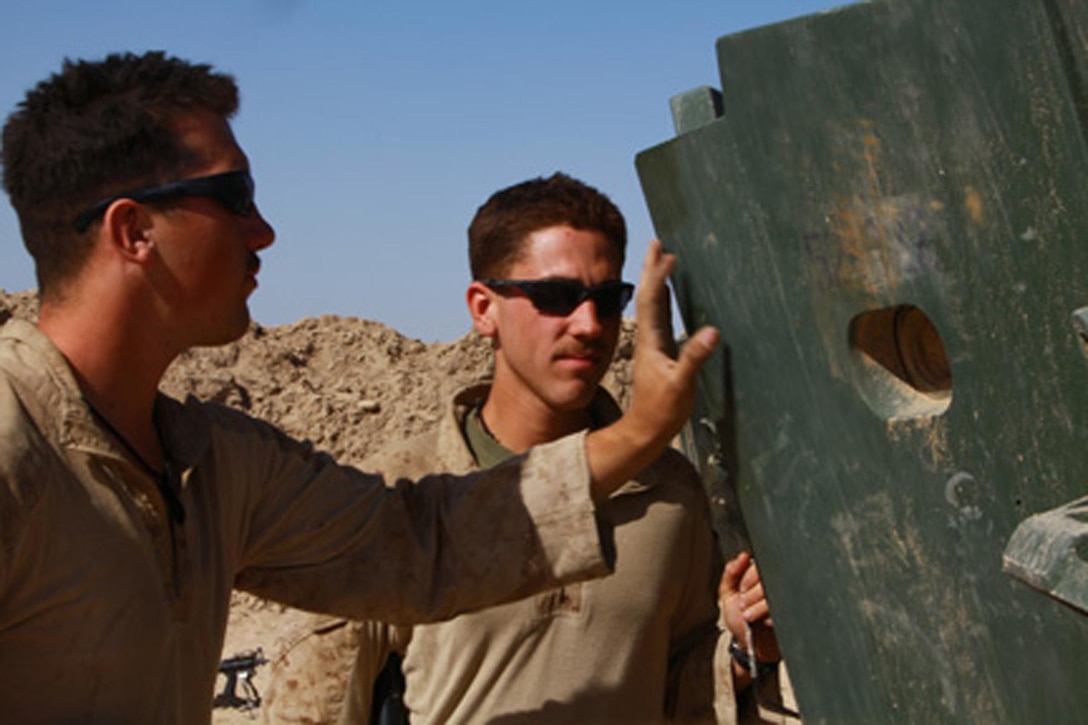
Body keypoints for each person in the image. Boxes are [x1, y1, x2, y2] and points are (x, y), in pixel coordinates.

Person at [0, 52, 718, 723]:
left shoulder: (215, 466)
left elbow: (420, 543)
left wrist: (640, 433)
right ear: (133, 231)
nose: (265, 232)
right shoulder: (14, 448)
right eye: (234, 197)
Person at [335, 173, 794, 723]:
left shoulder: (668, 493)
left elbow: (677, 694)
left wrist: (745, 649)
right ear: (484, 309)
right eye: (556, 297)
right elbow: (322, 699)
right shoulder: (402, 491)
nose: (589, 325)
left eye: (606, 299)